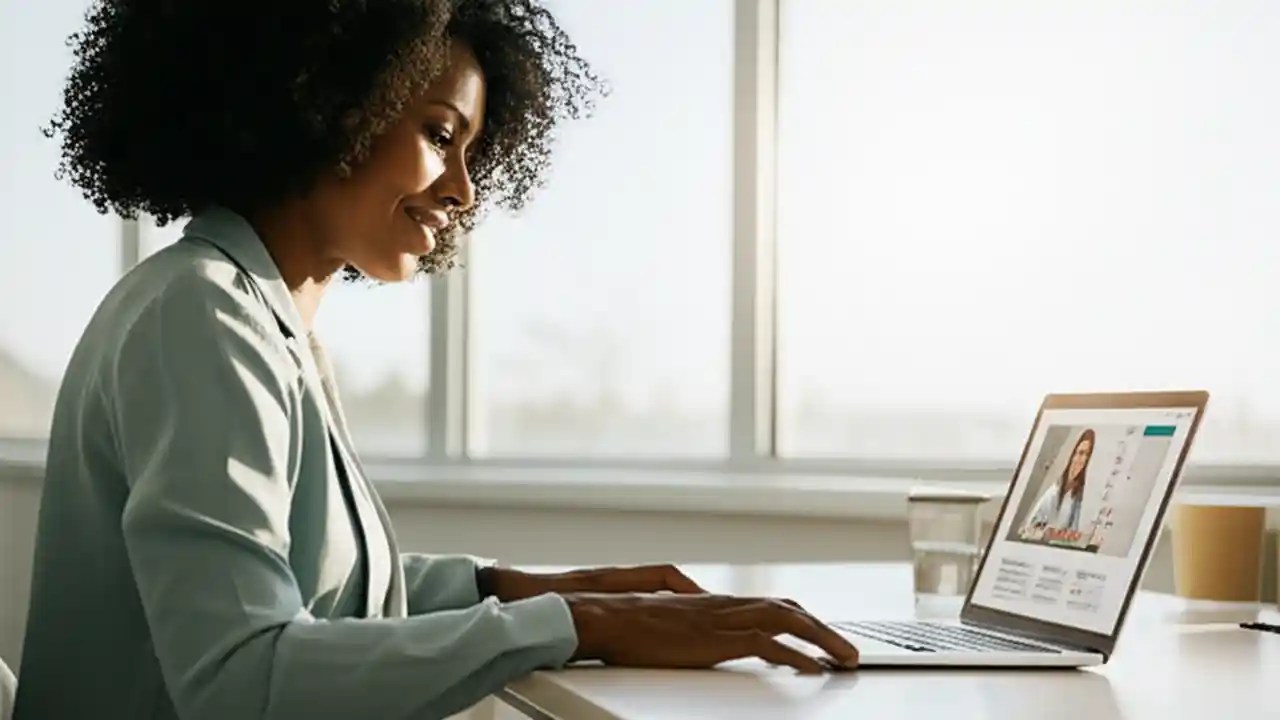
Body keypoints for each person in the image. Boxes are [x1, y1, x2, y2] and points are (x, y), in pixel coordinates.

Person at [13, 2, 859, 719]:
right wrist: (577, 622)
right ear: (331, 103)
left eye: (469, 149)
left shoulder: (253, 314)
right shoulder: (200, 317)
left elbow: (315, 588)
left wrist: (512, 586)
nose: (463, 188)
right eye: (438, 134)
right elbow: (242, 677)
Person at [1019, 428, 1095, 543]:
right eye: (1080, 453)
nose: (1083, 459)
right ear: (1073, 455)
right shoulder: (1054, 490)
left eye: (1087, 455)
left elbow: (1073, 534)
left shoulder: (1077, 496)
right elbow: (1028, 529)